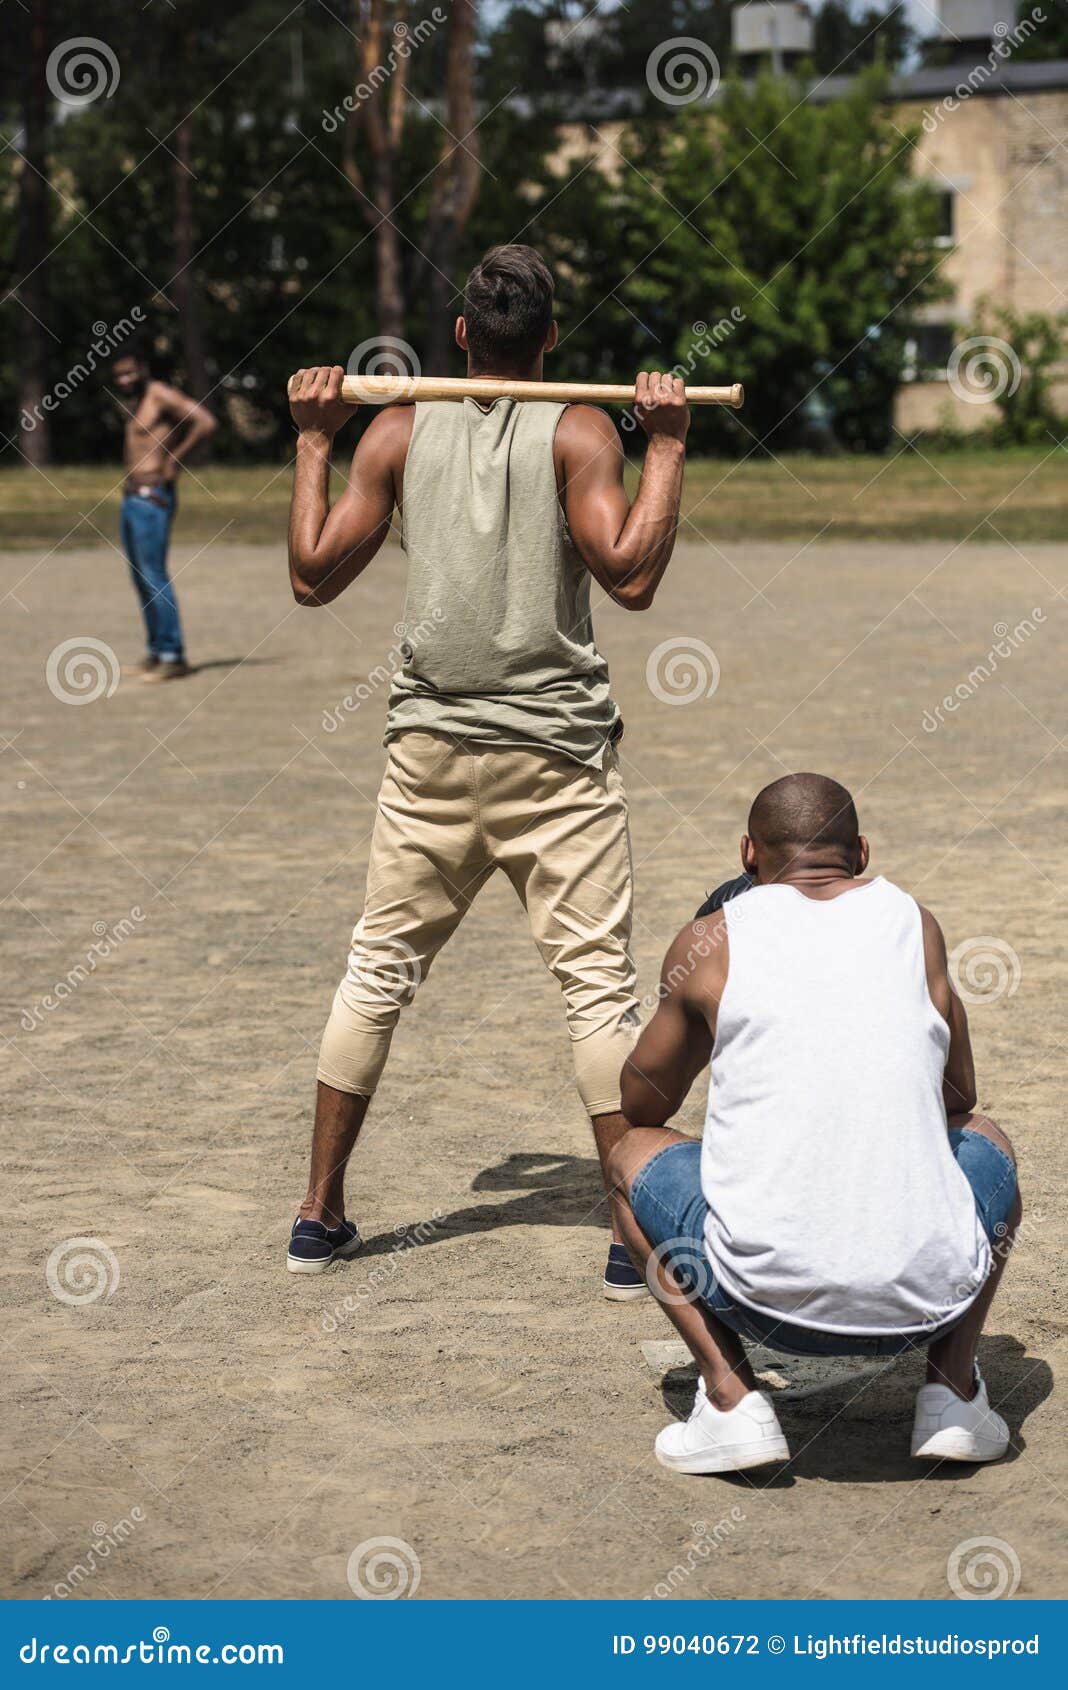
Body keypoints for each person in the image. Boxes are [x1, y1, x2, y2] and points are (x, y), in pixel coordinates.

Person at [284, 244, 690, 1292]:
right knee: (597, 991)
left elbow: (312, 576)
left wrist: (315, 439)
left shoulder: (396, 427)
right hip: (554, 756)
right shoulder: (582, 429)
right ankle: (629, 1232)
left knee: (378, 971)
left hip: (429, 751)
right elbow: (632, 578)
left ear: (463, 333)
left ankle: (318, 1214)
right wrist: (668, 446)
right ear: (551, 336)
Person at [609, 773, 1022, 1475]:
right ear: (860, 853)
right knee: (988, 1140)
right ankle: (952, 1397)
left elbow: (643, 1106)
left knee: (629, 1155)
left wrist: (709, 1023)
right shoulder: (915, 923)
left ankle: (732, 1402)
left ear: (748, 853)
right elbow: (960, 1094)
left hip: (757, 1303)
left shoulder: (710, 940)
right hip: (928, 1304)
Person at [112, 342, 217, 681]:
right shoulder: (138, 402)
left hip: (153, 498)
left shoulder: (159, 394)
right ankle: (156, 651)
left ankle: (174, 656)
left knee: (153, 576)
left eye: (130, 372)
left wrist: (175, 460)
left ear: (144, 368)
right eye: (119, 375)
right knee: (140, 577)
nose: (125, 379)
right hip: (133, 497)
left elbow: (205, 422)